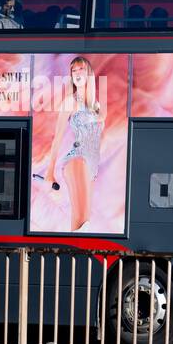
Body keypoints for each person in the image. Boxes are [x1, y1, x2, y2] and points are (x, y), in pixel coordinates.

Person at [44, 56, 103, 232]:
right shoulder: (70, 102)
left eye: (80, 69)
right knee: (81, 221)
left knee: (84, 223)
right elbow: (58, 136)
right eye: (73, 70)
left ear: (89, 73)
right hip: (77, 159)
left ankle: (78, 257)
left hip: (92, 165)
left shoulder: (96, 105)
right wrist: (49, 172)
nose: (76, 73)